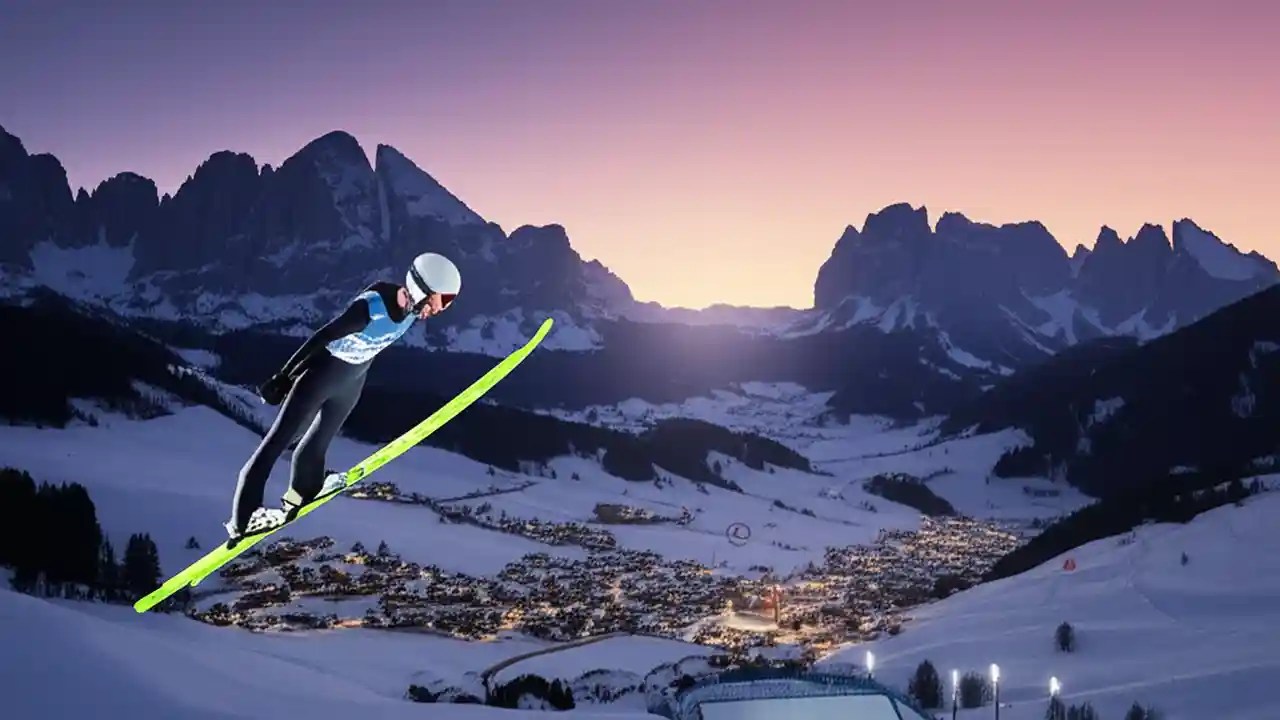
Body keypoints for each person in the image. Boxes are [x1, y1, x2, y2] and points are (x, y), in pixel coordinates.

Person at [225, 252, 461, 540]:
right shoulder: (370, 310)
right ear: (420, 289)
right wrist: (284, 377)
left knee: (320, 440)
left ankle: (303, 490)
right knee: (278, 442)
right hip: (321, 377)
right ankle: (244, 518)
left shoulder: (411, 309)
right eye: (439, 301)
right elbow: (323, 336)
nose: (438, 310)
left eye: (446, 303)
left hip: (353, 379)